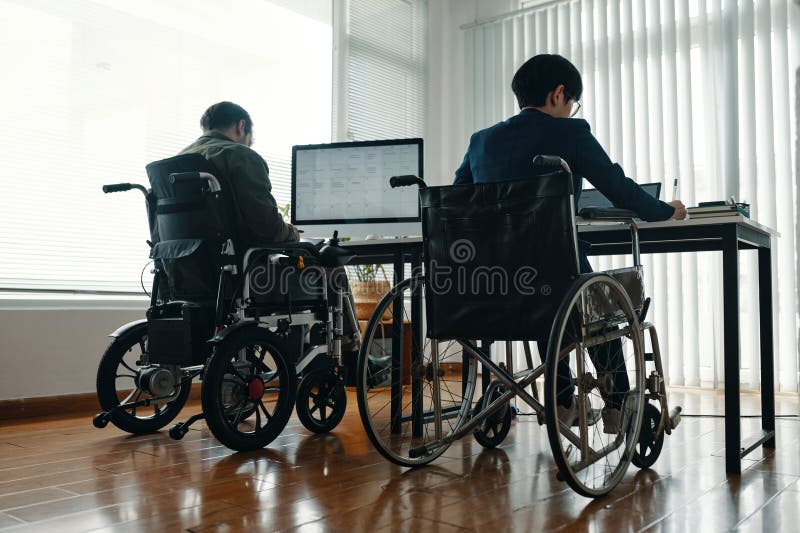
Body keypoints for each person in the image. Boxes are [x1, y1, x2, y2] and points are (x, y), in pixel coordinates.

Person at [454, 54, 687, 431]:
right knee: (600, 299)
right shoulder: (570, 133)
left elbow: (458, 201)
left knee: (554, 289)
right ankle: (617, 406)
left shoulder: (481, 142)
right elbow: (620, 190)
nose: (571, 109)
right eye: (572, 102)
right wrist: (667, 210)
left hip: (492, 283)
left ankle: (562, 402)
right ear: (560, 92)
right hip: (554, 279)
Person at [180, 101, 299, 244]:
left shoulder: (177, 160)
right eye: (248, 142)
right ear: (241, 126)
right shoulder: (241, 156)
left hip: (179, 263)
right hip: (231, 261)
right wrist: (292, 232)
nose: (247, 147)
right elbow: (268, 228)